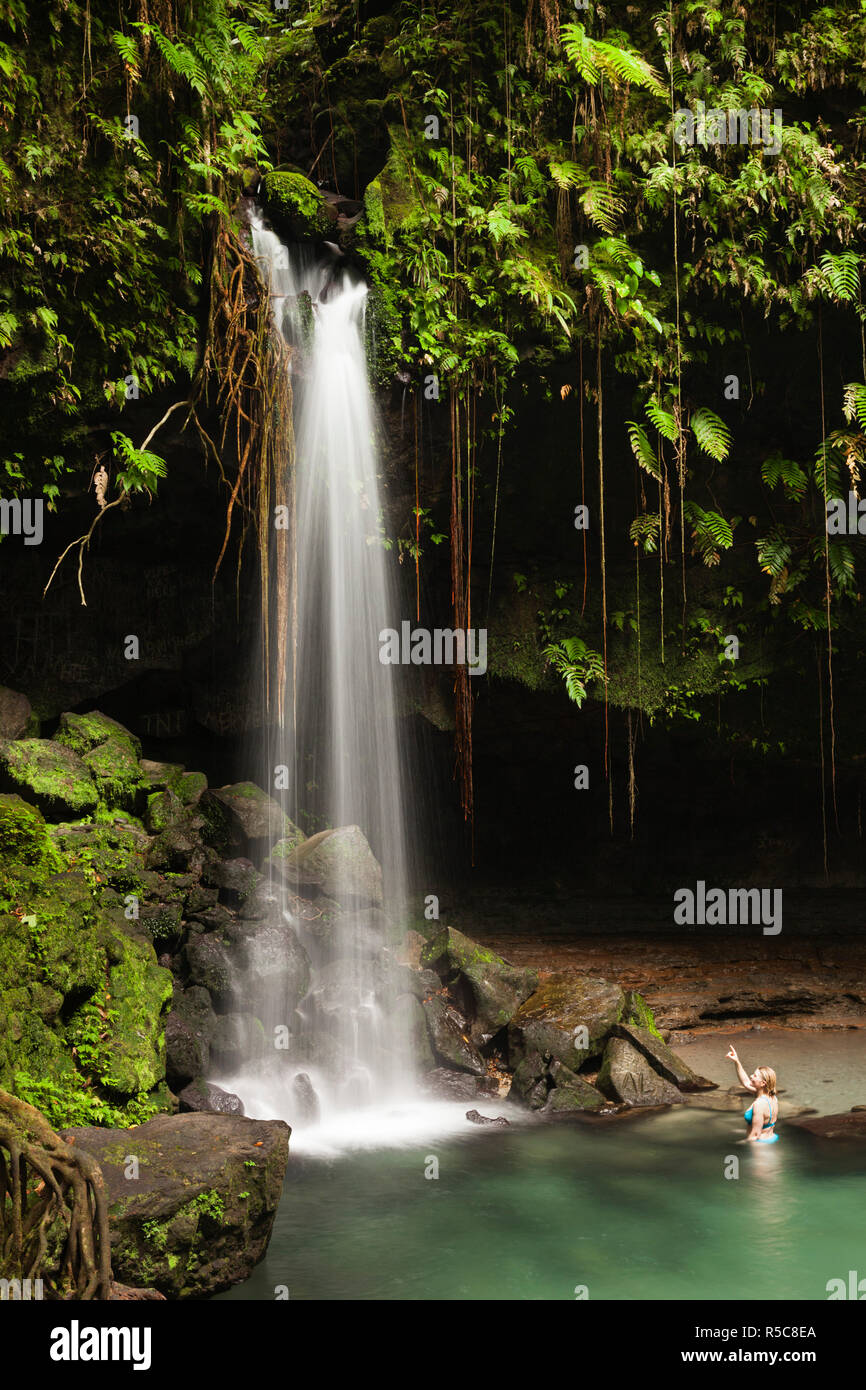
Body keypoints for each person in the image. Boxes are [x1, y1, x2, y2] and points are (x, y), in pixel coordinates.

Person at [726, 1045, 779, 1143]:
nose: (751, 1076)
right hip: (771, 1137)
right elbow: (745, 1082)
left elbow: (755, 1136)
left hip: (760, 1145)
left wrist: (736, 1144)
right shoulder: (772, 1096)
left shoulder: (759, 1104)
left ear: (763, 1083)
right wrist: (736, 1061)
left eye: (754, 1075)